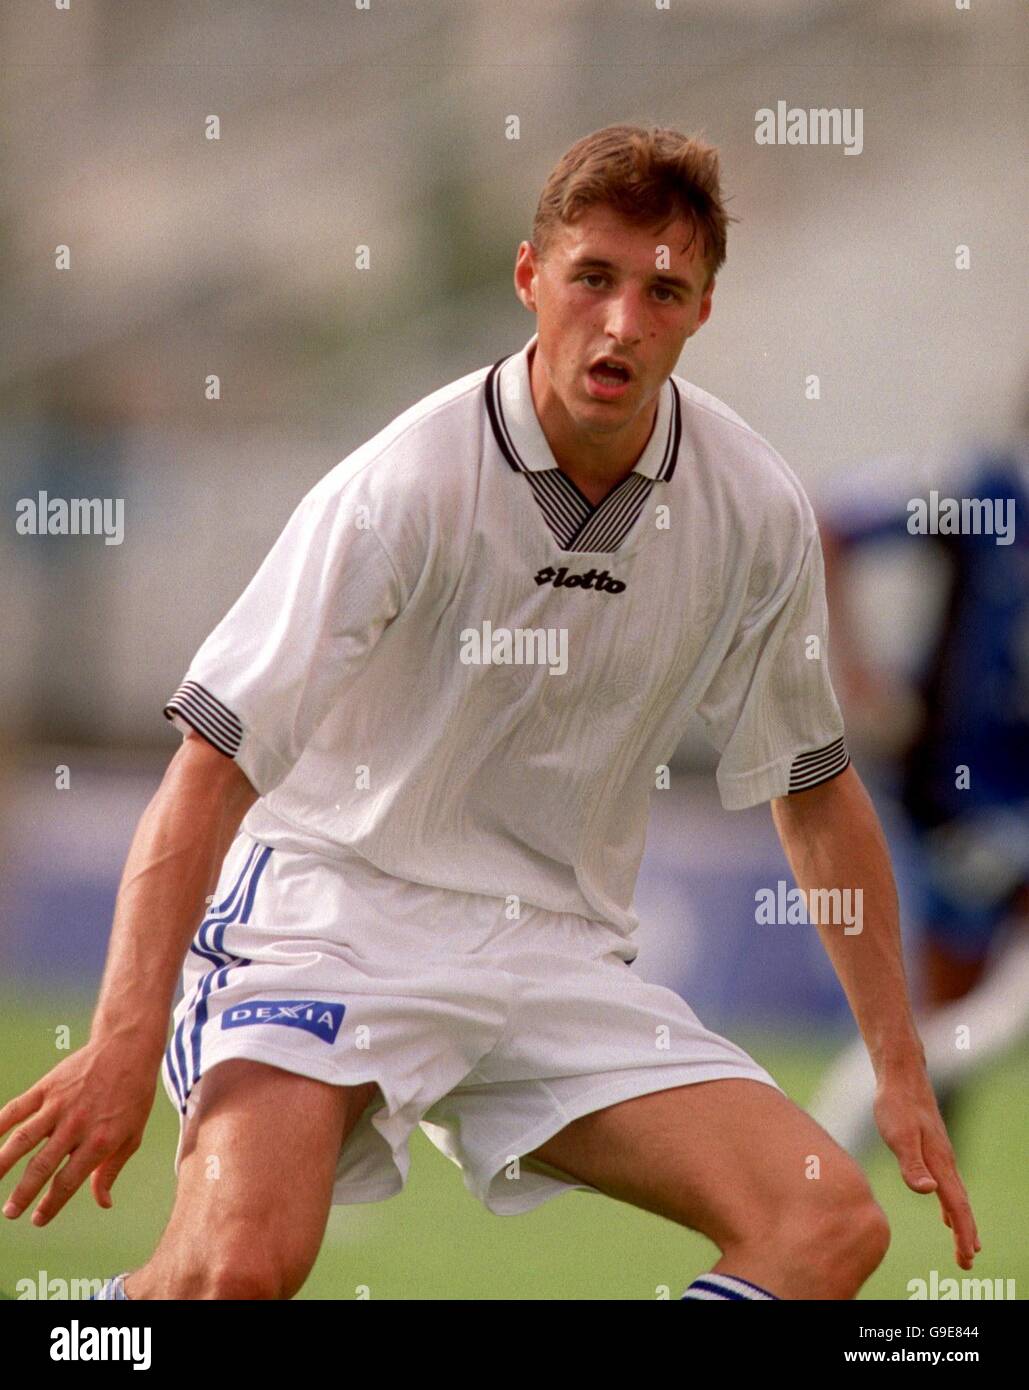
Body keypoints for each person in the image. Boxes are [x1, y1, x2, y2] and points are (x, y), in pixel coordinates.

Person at [0, 124, 979, 1301]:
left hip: (551, 948)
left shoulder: (753, 508)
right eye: (594, 279)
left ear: (703, 311)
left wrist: (899, 1063)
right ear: (530, 278)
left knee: (827, 1227)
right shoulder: (408, 481)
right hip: (329, 917)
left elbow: (814, 793)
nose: (623, 321)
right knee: (232, 1273)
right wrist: (119, 1040)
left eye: (663, 290)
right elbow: (210, 763)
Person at [809, 439, 1029, 1155]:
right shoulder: (980, 486)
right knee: (957, 1000)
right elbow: (830, 522)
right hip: (966, 789)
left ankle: (870, 1121)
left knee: (983, 1012)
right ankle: (875, 1124)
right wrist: (856, 675)